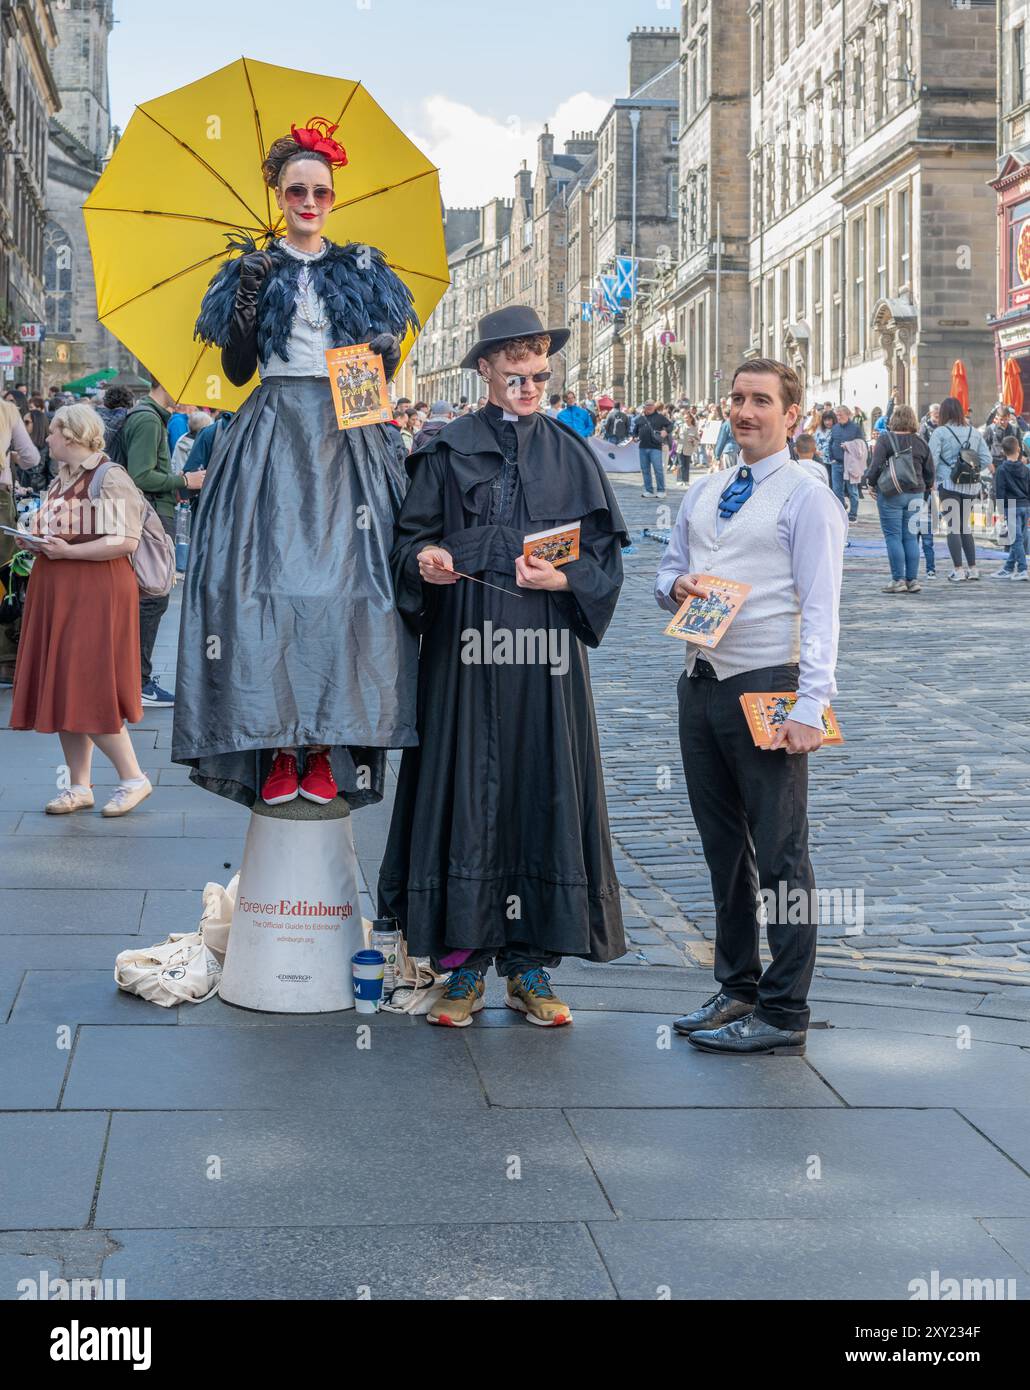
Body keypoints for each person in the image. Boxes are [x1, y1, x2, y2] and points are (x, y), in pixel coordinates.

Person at [378, 304, 628, 1028]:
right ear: (484, 368)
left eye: (540, 372)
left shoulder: (571, 451)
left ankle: (528, 966)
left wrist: (569, 578)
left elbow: (602, 553)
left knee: (539, 791)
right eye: (515, 370)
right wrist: (423, 560)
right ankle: (464, 968)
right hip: (463, 656)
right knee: (466, 795)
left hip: (546, 658)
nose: (529, 384)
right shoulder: (445, 448)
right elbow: (408, 543)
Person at [176, 116, 420, 809]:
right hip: (274, 430)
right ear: (277, 196)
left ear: (333, 198)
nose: (309, 203)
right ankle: (279, 747)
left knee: (353, 592)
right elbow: (238, 367)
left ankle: (325, 749)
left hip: (349, 430)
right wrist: (249, 302)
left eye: (321, 192)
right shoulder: (248, 270)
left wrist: (383, 349)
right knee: (264, 589)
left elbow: (380, 366)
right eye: (296, 192)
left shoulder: (361, 268)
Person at [655, 358, 846, 1056]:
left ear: (792, 416)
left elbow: (823, 608)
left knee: (781, 854)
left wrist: (811, 702)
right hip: (701, 679)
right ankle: (737, 983)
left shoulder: (806, 497)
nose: (745, 411)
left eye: (761, 401)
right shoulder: (703, 490)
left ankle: (784, 1009)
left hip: (770, 682)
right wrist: (676, 586)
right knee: (722, 850)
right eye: (736, 397)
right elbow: (666, 570)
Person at [9, 404, 153, 815]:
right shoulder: (62, 478)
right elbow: (61, 530)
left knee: (87, 684)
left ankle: (133, 778)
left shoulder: (109, 476)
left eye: (52, 431)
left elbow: (124, 540)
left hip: (93, 591)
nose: (46, 438)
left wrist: (66, 552)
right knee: (65, 685)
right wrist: (35, 537)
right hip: (60, 588)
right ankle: (80, 785)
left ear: (71, 435)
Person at [121, 375, 205, 706]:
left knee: (149, 597)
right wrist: (185, 479)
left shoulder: (150, 416)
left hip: (152, 515)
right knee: (153, 597)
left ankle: (135, 678)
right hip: (153, 516)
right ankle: (137, 681)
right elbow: (141, 475)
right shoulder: (148, 418)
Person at [864, 404, 934, 594]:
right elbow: (930, 470)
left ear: (894, 419)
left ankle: (898, 580)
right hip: (916, 493)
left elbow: (875, 465)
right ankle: (912, 580)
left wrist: (870, 483)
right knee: (911, 537)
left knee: (893, 536)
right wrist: (927, 486)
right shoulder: (920, 442)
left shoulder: (886, 440)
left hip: (891, 493)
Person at [0, 397, 42, 686]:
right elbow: (31, 458)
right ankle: (5, 660)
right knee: (6, 573)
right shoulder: (6, 410)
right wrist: (10, 455)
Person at [929, 395, 991, 583]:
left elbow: (932, 458)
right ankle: (972, 568)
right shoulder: (974, 431)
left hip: (949, 484)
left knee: (953, 527)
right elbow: (987, 459)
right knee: (965, 527)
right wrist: (973, 468)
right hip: (971, 486)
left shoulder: (940, 432)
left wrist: (936, 476)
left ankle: (958, 569)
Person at [990, 434, 1030, 579]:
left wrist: (1000, 512)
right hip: (1025, 505)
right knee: (1019, 537)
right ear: (1018, 449)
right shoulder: (1026, 469)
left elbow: (999, 492)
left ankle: (1022, 569)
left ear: (1003, 452)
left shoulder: (1001, 469)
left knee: (1015, 539)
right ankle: (1008, 567)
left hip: (1011, 505)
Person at [828, 405, 865, 519]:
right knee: (836, 490)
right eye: (837, 415)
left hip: (850, 464)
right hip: (836, 463)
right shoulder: (835, 428)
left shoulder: (856, 428)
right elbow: (831, 443)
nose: (838, 417)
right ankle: (840, 511)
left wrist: (849, 446)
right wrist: (831, 457)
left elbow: (862, 445)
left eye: (840, 415)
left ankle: (853, 514)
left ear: (848, 415)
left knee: (852, 490)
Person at [633, 400, 672, 497]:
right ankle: (649, 490)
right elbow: (635, 431)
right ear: (644, 407)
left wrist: (666, 431)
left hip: (655, 447)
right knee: (645, 470)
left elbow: (671, 425)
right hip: (643, 447)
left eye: (651, 405)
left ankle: (661, 490)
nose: (649, 407)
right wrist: (634, 437)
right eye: (647, 405)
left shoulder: (660, 417)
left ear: (654, 407)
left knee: (658, 469)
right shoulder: (640, 419)